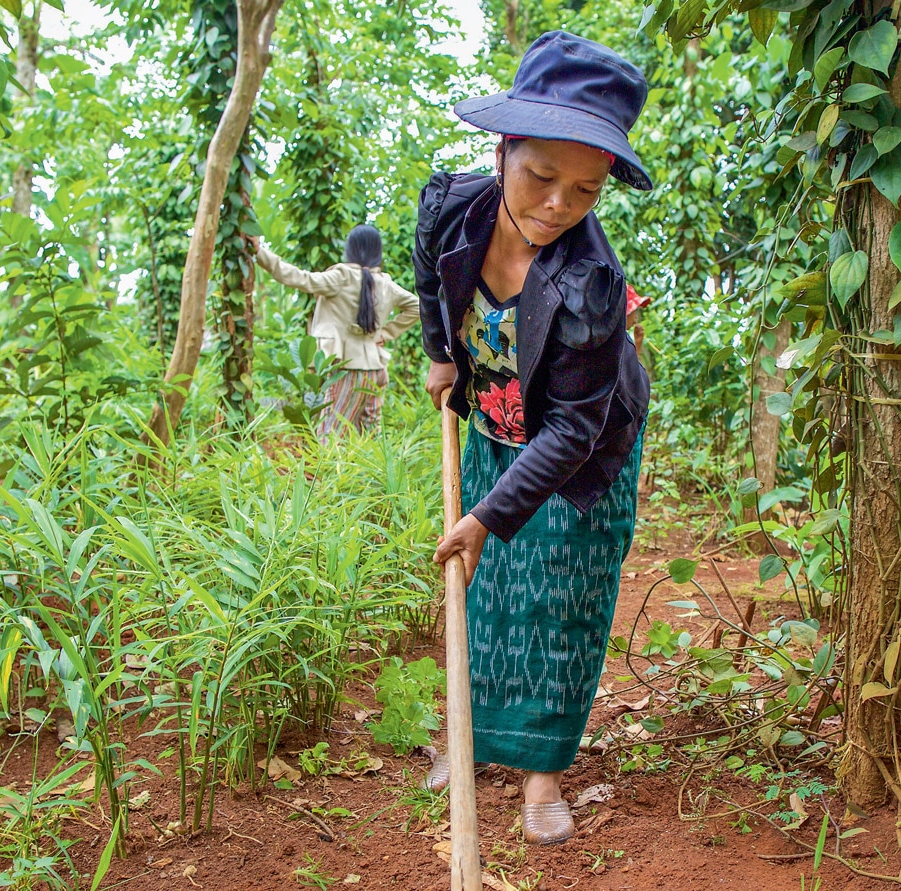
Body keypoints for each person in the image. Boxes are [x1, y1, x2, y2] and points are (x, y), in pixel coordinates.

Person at [414, 31, 652, 846]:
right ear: (504, 147)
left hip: (579, 453)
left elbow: (576, 427)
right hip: (494, 418)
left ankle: (543, 773)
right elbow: (427, 276)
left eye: (585, 192)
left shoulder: (590, 283)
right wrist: (443, 355)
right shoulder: (453, 207)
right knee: (488, 595)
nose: (557, 205)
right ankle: (470, 739)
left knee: (558, 600)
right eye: (540, 176)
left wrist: (486, 516)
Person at [254, 226, 420, 440]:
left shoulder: (341, 276)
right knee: (370, 437)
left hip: (346, 369)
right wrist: (384, 334)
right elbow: (417, 306)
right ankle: (369, 475)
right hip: (376, 369)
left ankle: (323, 474)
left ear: (350, 249)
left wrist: (260, 252)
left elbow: (298, 278)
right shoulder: (385, 283)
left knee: (330, 435)